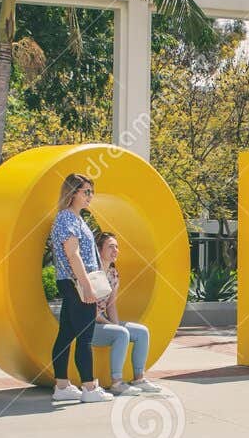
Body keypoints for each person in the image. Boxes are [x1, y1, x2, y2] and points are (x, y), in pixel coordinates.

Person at [49, 173, 111, 403]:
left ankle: (62, 386)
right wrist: (87, 286)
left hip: (71, 282)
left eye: (91, 192)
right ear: (73, 192)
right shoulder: (67, 219)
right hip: (77, 283)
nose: (90, 196)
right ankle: (89, 387)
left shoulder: (75, 218)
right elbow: (73, 255)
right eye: (86, 191)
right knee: (85, 337)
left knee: (66, 334)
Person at [90, 232, 164, 396]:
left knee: (142, 332)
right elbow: (92, 311)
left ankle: (139, 378)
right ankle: (116, 383)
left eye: (117, 247)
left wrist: (115, 325)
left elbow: (111, 305)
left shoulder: (113, 274)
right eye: (111, 246)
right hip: (88, 325)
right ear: (99, 249)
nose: (115, 250)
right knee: (121, 333)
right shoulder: (92, 273)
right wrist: (114, 327)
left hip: (103, 321)